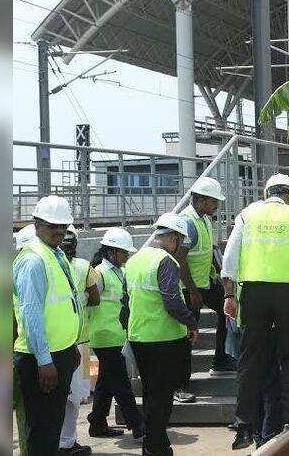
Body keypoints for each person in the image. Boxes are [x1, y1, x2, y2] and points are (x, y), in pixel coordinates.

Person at [222, 173, 289, 450]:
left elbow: (229, 260)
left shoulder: (247, 215)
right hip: (287, 294)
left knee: (250, 357)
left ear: (265, 193)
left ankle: (244, 426)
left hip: (254, 293)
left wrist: (228, 295)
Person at [125, 213, 200, 456]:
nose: (180, 248)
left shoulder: (135, 260)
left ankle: (153, 444)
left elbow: (125, 302)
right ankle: (156, 447)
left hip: (139, 337)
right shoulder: (166, 261)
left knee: (151, 394)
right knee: (162, 398)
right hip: (163, 340)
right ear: (173, 238)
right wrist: (191, 323)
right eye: (180, 242)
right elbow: (172, 301)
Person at [13, 196, 82, 456]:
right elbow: (31, 315)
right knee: (41, 431)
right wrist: (44, 361)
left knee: (51, 427)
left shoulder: (57, 254)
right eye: (52, 225)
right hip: (41, 359)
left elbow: (66, 305)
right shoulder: (34, 261)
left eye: (63, 226)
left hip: (59, 353)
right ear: (37, 224)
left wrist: (70, 346)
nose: (59, 231)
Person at [176, 176, 231, 405]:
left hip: (206, 282)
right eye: (214, 201)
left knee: (227, 311)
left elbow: (208, 250)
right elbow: (181, 260)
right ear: (202, 200)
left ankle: (220, 359)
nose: (217, 205)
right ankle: (180, 386)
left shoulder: (204, 219)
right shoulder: (188, 221)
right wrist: (194, 292)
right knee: (188, 335)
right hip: (190, 288)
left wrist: (220, 271)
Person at [86, 228, 144, 439]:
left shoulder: (119, 271)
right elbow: (89, 301)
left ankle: (97, 423)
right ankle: (137, 423)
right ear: (111, 252)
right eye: (123, 252)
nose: (127, 256)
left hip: (115, 335)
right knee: (120, 382)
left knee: (106, 381)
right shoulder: (99, 273)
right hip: (104, 336)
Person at [58, 227, 100, 456]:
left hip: (71, 341)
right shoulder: (81, 266)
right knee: (72, 397)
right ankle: (65, 441)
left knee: (71, 397)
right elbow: (95, 297)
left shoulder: (67, 266)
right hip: (73, 341)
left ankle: (65, 441)